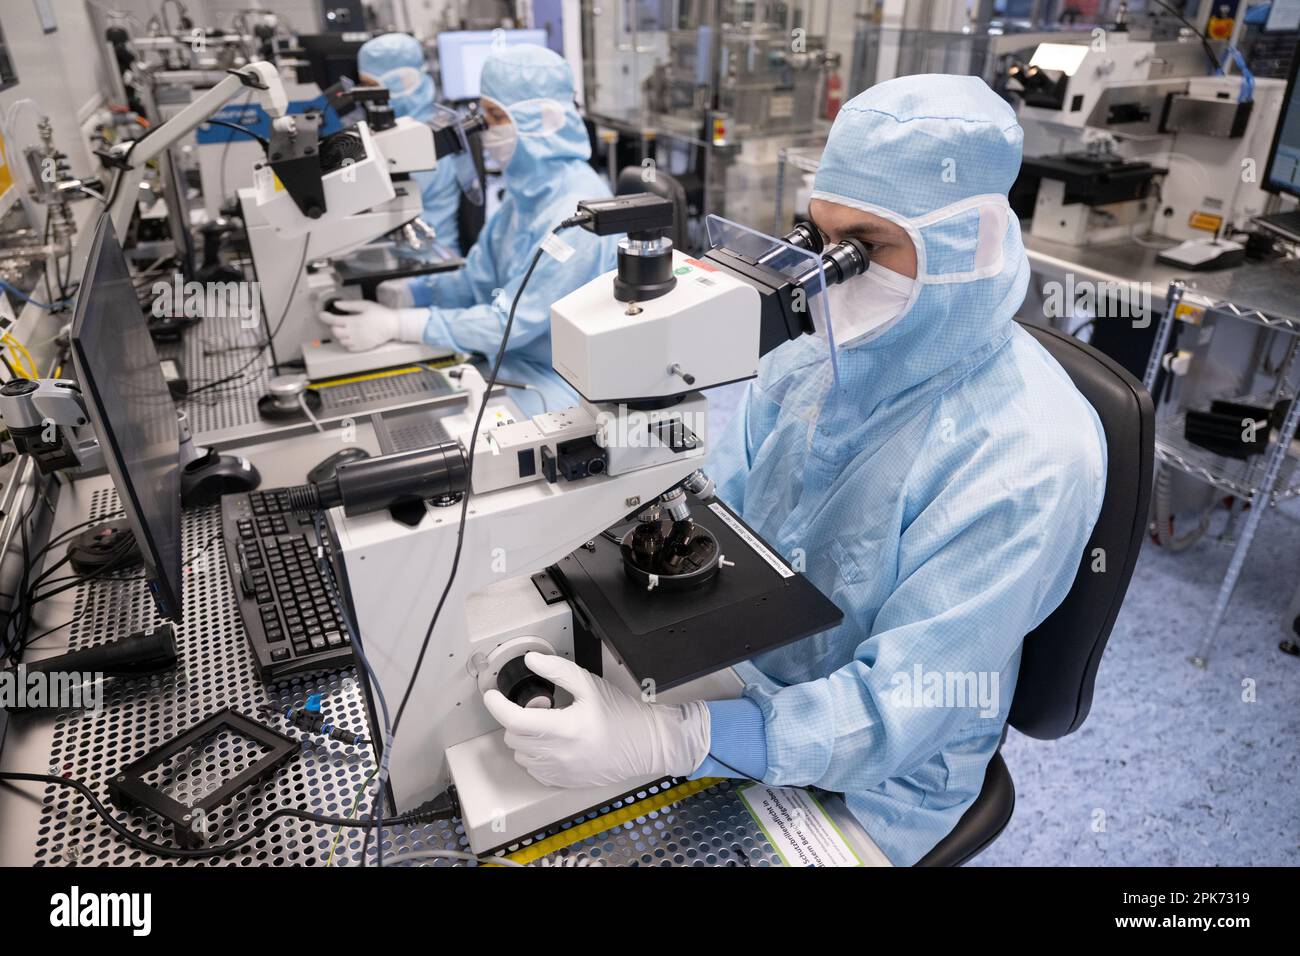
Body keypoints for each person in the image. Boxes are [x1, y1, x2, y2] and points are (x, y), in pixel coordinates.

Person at [481, 74, 1108, 866]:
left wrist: (675, 739)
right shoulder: (822, 357)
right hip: (743, 675)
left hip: (874, 777)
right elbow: (723, 512)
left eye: (868, 247)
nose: (831, 278)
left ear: (970, 242)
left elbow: (898, 713)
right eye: (820, 239)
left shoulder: (1032, 454)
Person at [321, 44, 619, 417]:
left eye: (496, 116)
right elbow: (477, 282)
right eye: (483, 114)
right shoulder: (525, 197)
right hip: (505, 360)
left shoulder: (577, 216)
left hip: (560, 385)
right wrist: (411, 294)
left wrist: (401, 325)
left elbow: (507, 324)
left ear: (544, 119)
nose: (486, 130)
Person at [356, 33, 464, 255]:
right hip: (404, 254)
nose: (364, 96)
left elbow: (372, 208)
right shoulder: (415, 125)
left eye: (370, 86)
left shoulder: (424, 140)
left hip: (429, 259)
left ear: (400, 82)